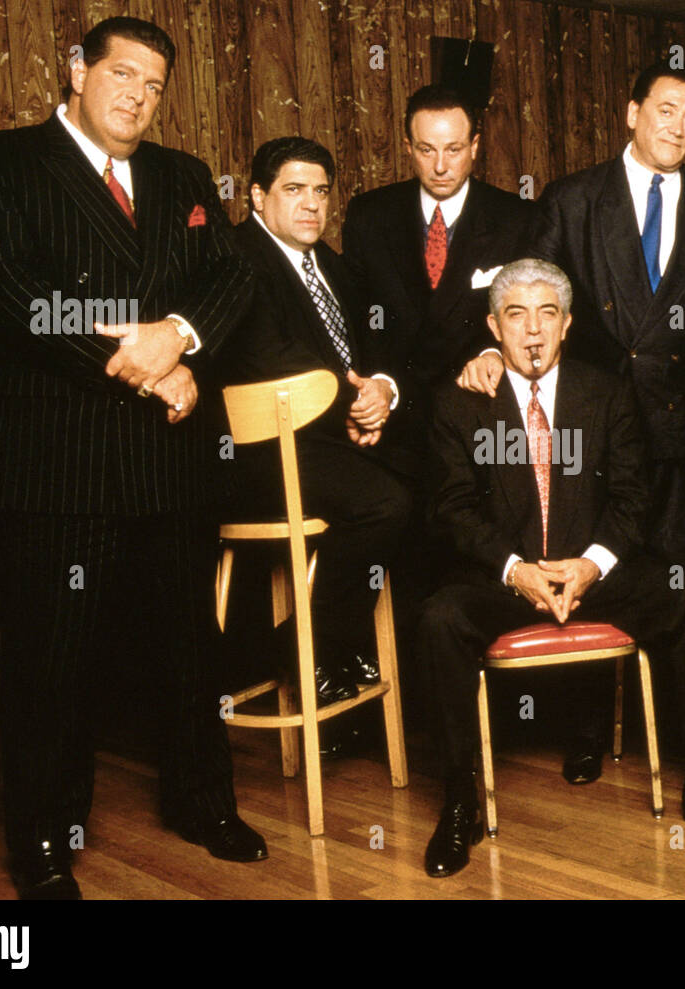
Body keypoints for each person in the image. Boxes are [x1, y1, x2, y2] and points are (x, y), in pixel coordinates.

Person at [0, 16, 264, 900]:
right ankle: (45, 840)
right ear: (77, 71)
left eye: (154, 84)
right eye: (122, 74)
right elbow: (13, 294)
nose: (136, 95)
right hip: (58, 458)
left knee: (189, 648)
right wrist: (148, 371)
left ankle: (204, 803)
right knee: (54, 659)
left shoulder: (184, 176)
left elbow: (232, 274)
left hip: (170, 465)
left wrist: (181, 338)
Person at [418, 260, 685, 878]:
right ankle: (457, 802)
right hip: (510, 578)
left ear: (569, 323)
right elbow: (449, 509)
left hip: (592, 574)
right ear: (493, 327)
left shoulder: (605, 391)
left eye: (547, 314)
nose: (532, 332)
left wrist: (589, 566)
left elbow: (635, 498)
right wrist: (516, 570)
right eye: (516, 316)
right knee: (440, 616)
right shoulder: (460, 400)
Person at [459, 59, 685, 783]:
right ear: (631, 112)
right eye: (665, 110)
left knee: (683, 584)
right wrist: (488, 352)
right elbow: (533, 296)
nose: (678, 127)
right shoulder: (574, 197)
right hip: (589, 426)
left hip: (683, 425)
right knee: (582, 570)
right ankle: (585, 731)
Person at [219, 137, 412, 706]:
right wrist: (351, 407)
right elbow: (263, 358)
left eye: (322, 192)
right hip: (262, 452)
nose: (312, 205)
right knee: (387, 503)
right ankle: (300, 647)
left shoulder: (332, 264)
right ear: (258, 196)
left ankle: (329, 643)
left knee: (432, 482)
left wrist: (381, 391)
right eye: (294, 190)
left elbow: (378, 341)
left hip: (331, 442)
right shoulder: (234, 257)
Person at [342, 85, 537, 479]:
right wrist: (379, 385)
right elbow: (356, 317)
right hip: (395, 417)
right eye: (426, 150)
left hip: (482, 412)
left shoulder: (518, 219)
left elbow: (534, 315)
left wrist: (496, 354)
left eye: (454, 149)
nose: (441, 166)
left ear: (475, 146)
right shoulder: (369, 215)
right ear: (407, 147)